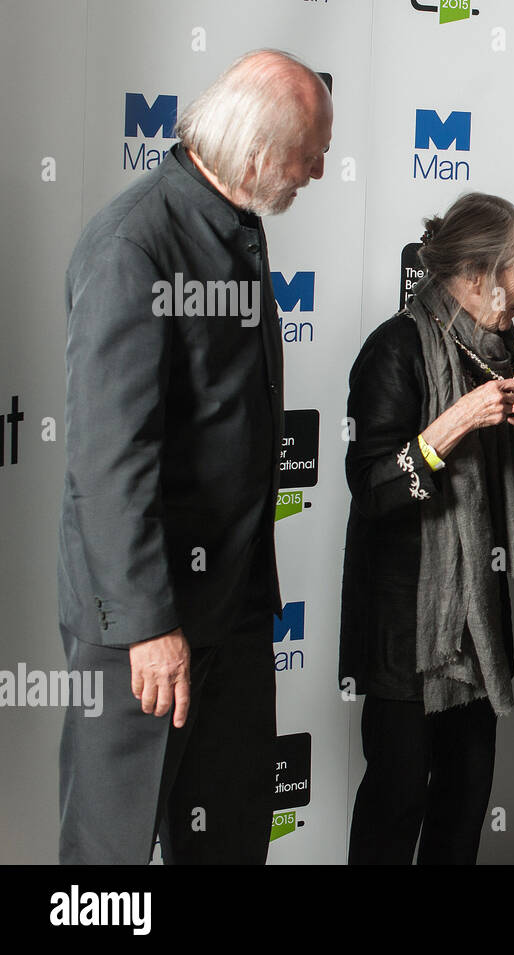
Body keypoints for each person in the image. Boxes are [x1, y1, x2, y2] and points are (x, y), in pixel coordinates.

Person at [57, 50, 332, 864]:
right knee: (111, 854)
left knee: (231, 838)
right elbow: (110, 459)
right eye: (307, 153)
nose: (319, 170)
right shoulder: (132, 244)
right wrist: (150, 628)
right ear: (253, 150)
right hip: (144, 624)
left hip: (234, 611)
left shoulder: (235, 218)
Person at [339, 193, 514, 865]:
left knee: (464, 806)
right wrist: (454, 423)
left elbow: (507, 482)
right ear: (482, 271)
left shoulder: (503, 353)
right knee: (397, 803)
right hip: (408, 628)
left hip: (477, 623)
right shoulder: (394, 348)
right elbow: (372, 486)